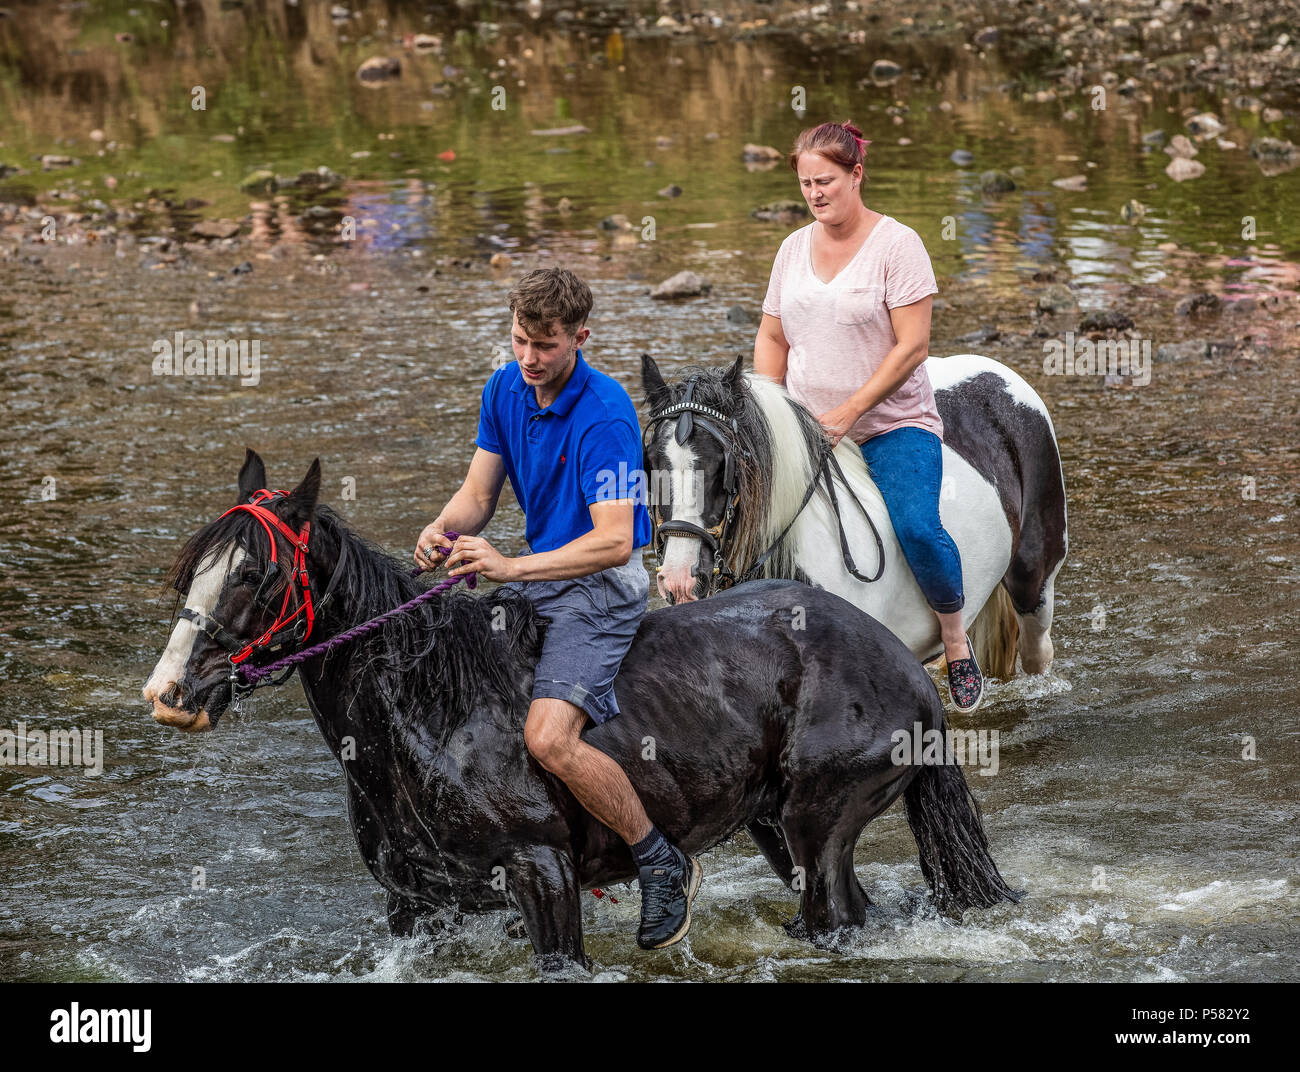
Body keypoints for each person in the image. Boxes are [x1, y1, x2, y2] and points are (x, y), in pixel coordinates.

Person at [414, 267, 702, 948]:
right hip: (541, 581)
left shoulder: (605, 414)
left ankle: (659, 858)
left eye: (545, 346)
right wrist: (442, 529)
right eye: (519, 340)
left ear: (580, 336)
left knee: (547, 737)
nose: (529, 359)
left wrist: (509, 565)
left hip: (600, 590)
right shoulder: (503, 386)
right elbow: (478, 496)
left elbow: (608, 542)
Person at [752, 120, 984, 713]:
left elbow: (912, 347)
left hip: (890, 426)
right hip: (805, 431)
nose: (814, 193)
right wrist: (768, 411)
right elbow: (772, 336)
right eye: (805, 183)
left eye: (825, 180)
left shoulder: (897, 245)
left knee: (915, 526)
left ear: (857, 174)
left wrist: (849, 411)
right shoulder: (790, 249)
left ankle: (955, 643)